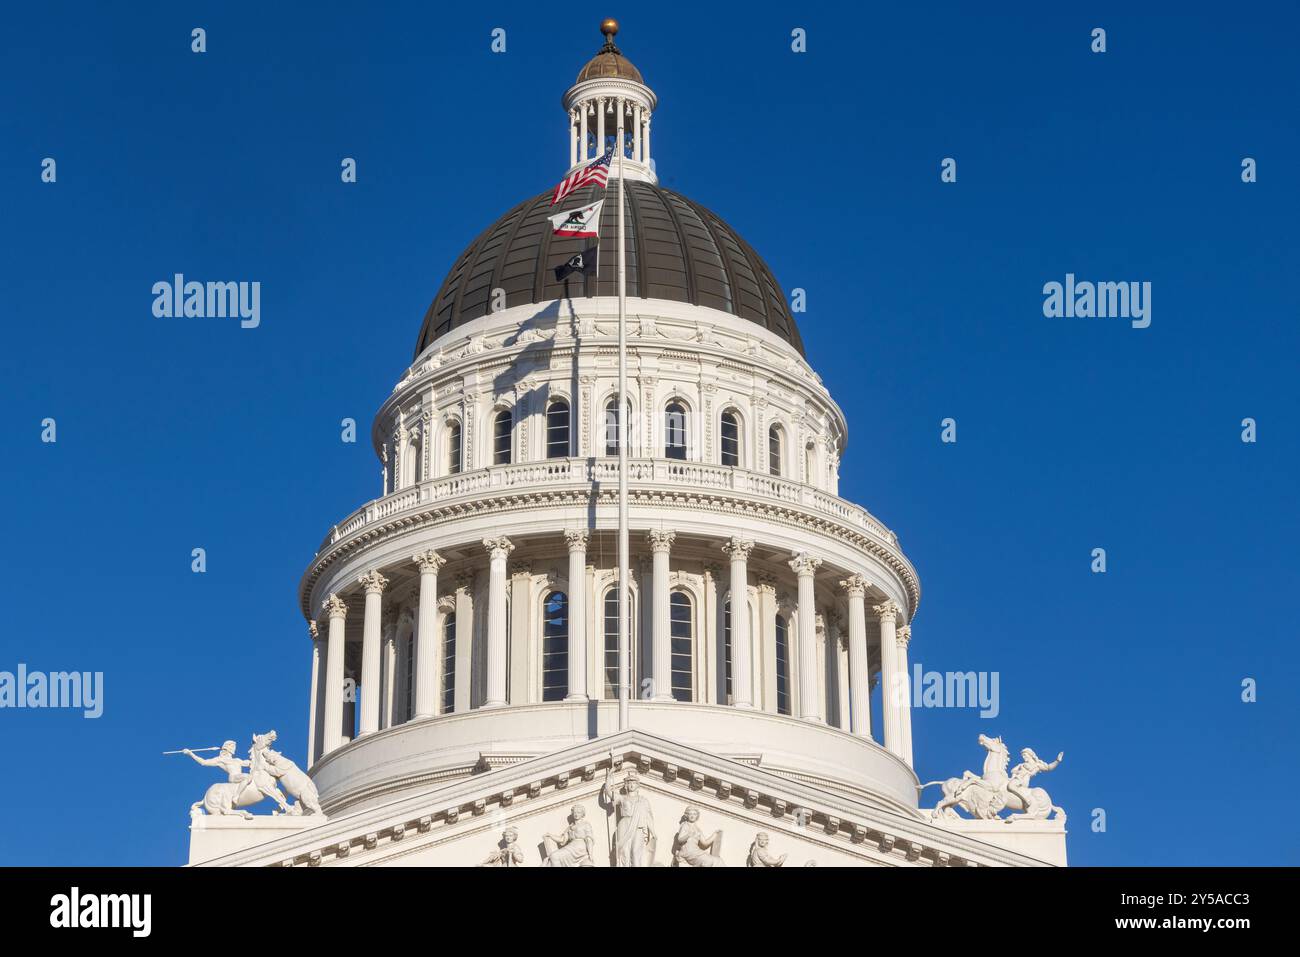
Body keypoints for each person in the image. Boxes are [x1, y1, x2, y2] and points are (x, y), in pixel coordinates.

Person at [601, 770, 656, 866]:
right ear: (626, 785)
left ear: (637, 785)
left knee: (635, 852)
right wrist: (609, 778)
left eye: (634, 783)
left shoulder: (643, 801)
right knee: (624, 853)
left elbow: (648, 817)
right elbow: (608, 792)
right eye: (629, 782)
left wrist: (653, 833)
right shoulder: (622, 798)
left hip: (638, 827)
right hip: (624, 824)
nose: (631, 785)